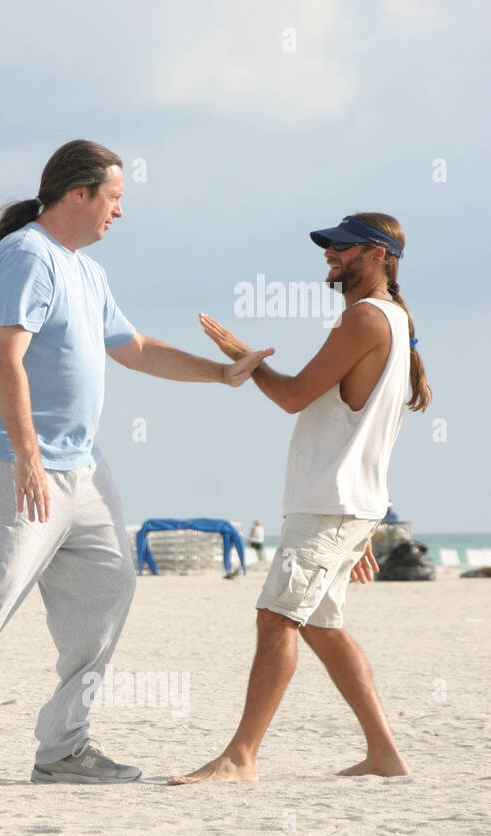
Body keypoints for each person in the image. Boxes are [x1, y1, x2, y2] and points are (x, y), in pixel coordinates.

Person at [0, 139, 272, 789]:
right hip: (12, 462)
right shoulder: (26, 257)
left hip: (84, 471)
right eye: (115, 198)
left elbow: (136, 348)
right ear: (78, 195)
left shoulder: (88, 272)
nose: (120, 212)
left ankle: (63, 748)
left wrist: (222, 374)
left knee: (110, 591)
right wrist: (28, 456)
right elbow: (5, 356)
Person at [171, 213, 427, 785]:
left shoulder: (365, 318)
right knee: (319, 626)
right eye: (328, 248)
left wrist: (246, 358)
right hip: (347, 502)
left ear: (378, 254)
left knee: (276, 618)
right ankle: (384, 755)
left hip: (331, 501)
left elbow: (291, 397)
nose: (330, 255)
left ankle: (241, 757)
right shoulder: (393, 318)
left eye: (341, 248)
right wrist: (359, 521)